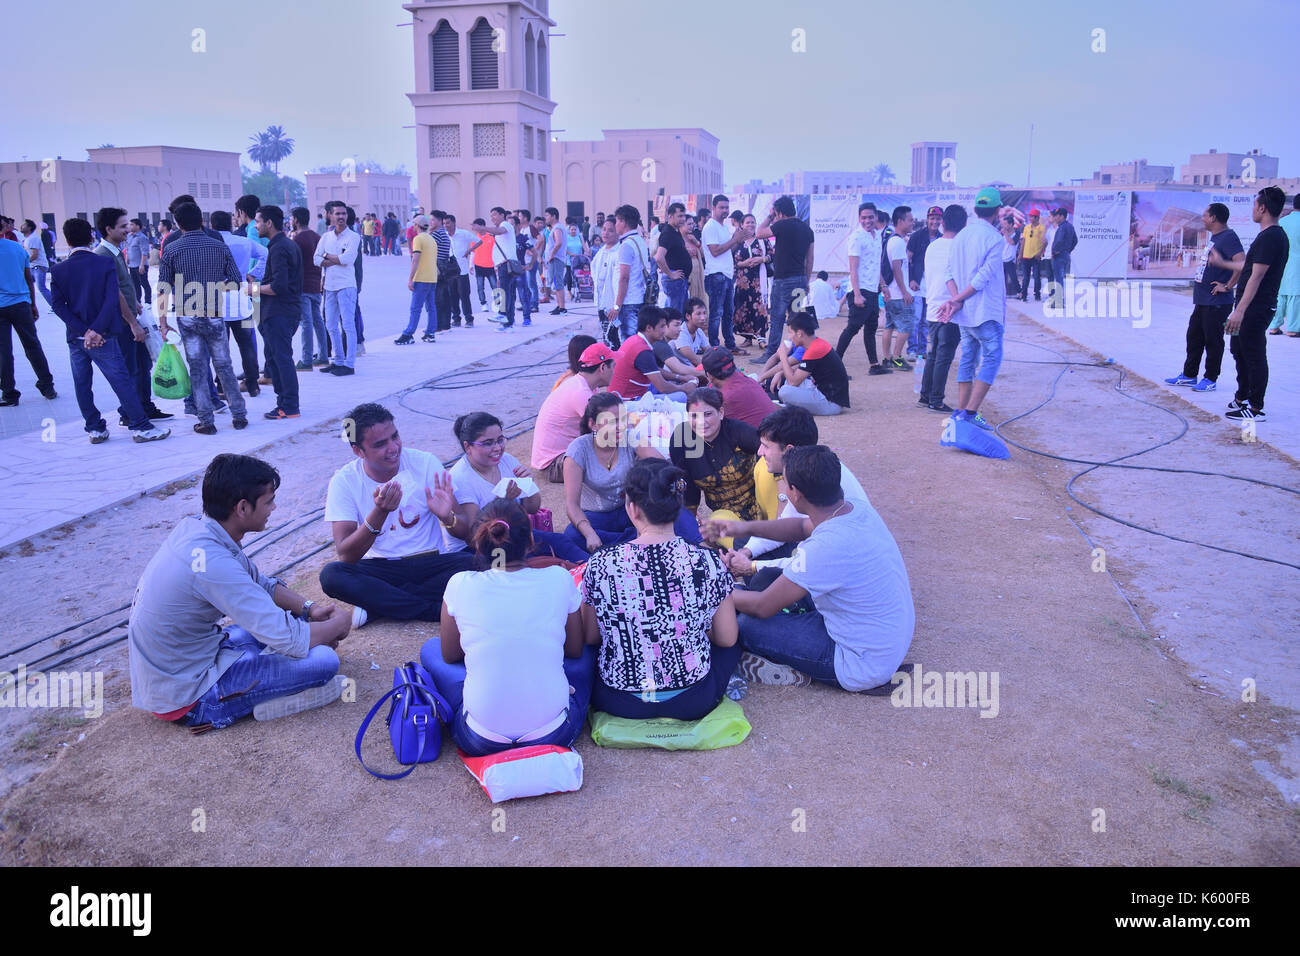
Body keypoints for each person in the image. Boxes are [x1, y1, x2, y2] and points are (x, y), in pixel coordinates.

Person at [128, 454, 351, 731]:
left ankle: (276, 675)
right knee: (324, 661)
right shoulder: (213, 561)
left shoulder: (199, 529)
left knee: (301, 630)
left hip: (193, 659)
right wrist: (338, 624)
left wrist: (310, 610)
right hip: (188, 695)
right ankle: (262, 700)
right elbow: (290, 638)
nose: (274, 507)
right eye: (269, 501)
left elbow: (262, 584)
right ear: (243, 508)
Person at [721, 445, 913, 690]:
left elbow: (762, 606)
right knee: (766, 578)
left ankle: (783, 662)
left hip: (858, 662)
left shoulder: (825, 547)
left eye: (785, 484)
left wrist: (715, 588)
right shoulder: (855, 510)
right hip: (881, 639)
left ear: (796, 494)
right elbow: (801, 528)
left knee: (747, 624)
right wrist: (745, 529)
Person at [417, 498, 597, 755]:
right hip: (554, 733)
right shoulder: (558, 579)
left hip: (481, 738)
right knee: (586, 653)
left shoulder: (460, 584)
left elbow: (450, 655)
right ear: (531, 541)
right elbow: (575, 650)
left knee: (431, 650)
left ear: (478, 543)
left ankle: (489, 695)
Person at [581, 458, 740, 720]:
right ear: (678, 506)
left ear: (632, 508)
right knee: (734, 638)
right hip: (693, 699)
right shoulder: (707, 561)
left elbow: (591, 637)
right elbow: (726, 639)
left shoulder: (600, 564)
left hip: (619, 700)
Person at [320, 403, 476, 628]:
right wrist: (380, 512)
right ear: (358, 450)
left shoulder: (424, 463)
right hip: (380, 569)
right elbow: (346, 555)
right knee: (332, 575)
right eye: (380, 444)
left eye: (395, 437)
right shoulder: (344, 481)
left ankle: (381, 603)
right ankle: (432, 609)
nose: (393, 448)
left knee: (487, 562)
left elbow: (464, 531)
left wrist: (447, 517)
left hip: (430, 561)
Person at [47, 217, 168, 443]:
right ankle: (141, 426)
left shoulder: (59, 269)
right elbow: (112, 297)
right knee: (121, 379)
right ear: (92, 236)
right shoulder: (103, 264)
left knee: (82, 383)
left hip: (76, 338)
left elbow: (57, 305)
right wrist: (96, 330)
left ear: (67, 240)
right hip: (104, 336)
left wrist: (84, 330)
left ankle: (95, 428)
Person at [717, 406, 868, 574]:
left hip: (833, 566)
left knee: (765, 577)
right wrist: (746, 552)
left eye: (766, 446)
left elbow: (809, 562)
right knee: (744, 544)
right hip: (819, 554)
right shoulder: (808, 470)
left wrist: (750, 567)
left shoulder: (811, 481)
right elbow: (787, 523)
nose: (760, 452)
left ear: (789, 450)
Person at [561, 392, 702, 552]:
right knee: (572, 534)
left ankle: (701, 545)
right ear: (593, 424)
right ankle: (638, 542)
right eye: (613, 422)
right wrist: (589, 534)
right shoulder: (578, 450)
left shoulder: (630, 437)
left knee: (675, 511)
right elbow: (571, 504)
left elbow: (662, 467)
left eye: (623, 419)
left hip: (631, 509)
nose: (621, 426)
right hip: (597, 516)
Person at [157, 202, 249, 434]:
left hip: (187, 316)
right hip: (214, 314)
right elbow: (236, 282)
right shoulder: (218, 245)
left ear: (177, 224)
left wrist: (162, 322)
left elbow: (162, 289)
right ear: (202, 220)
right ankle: (239, 415)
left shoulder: (172, 249)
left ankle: (206, 421)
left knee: (197, 368)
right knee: (224, 365)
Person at [449, 412, 587, 563]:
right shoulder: (461, 478)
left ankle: (595, 572)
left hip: (511, 536)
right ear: (468, 447)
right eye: (488, 443)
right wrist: (502, 503)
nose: (497, 448)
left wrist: (528, 485)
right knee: (528, 562)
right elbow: (473, 536)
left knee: (560, 542)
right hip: (481, 548)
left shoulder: (506, 461)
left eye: (500, 440)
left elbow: (533, 508)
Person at [936, 187, 1009, 431]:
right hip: (985, 311)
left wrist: (957, 300)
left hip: (965, 313)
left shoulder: (961, 237)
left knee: (968, 358)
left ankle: (961, 411)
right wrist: (959, 301)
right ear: (997, 211)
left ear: (976, 210)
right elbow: (982, 279)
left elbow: (949, 274)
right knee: (992, 358)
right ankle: (969, 413)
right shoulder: (995, 239)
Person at [96, 207, 170, 422]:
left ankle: (145, 406)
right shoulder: (103, 254)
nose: (127, 229)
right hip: (122, 323)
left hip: (131, 316)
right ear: (108, 229)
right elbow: (113, 292)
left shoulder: (117, 251)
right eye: (122, 226)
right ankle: (128, 413)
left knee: (142, 365)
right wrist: (132, 323)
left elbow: (123, 286)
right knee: (131, 370)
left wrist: (135, 302)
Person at [1225, 186, 1290, 422]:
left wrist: (1240, 311)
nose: (1253, 209)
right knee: (1238, 350)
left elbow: (1257, 276)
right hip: (1248, 306)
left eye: (1254, 205)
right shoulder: (1268, 236)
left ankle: (1255, 408)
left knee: (1253, 354)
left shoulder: (1271, 237)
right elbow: (1249, 269)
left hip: (1255, 307)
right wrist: (1224, 266)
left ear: (1262, 208)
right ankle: (1242, 397)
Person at [1164, 203, 1243, 392]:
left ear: (1214, 218)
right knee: (1194, 337)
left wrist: (1228, 286)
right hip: (1203, 299)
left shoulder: (1229, 237)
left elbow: (1242, 262)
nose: (1202, 218)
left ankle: (1210, 379)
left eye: (1205, 215)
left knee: (1213, 341)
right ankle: (1189, 375)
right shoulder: (1216, 237)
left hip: (1217, 302)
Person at [669, 387, 762, 522]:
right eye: (694, 416)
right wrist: (689, 525)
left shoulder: (737, 431)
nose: (701, 422)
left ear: (721, 413)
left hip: (761, 501)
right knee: (715, 526)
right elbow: (687, 488)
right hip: (726, 516)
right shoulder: (681, 440)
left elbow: (773, 453)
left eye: (707, 414)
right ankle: (746, 542)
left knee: (766, 467)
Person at [532, 341, 616, 481]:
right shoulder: (580, 392)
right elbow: (606, 432)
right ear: (602, 367)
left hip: (560, 457)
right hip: (554, 464)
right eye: (613, 367)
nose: (615, 371)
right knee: (619, 455)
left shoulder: (585, 384)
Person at [252, 205, 302, 421]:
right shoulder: (286, 244)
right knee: (277, 358)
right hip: (284, 311)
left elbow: (278, 287)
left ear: (269, 223)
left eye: (258, 222)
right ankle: (284, 403)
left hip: (279, 312)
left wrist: (251, 290)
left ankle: (289, 406)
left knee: (282, 359)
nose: (256, 226)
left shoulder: (279, 248)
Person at [208, 209, 266, 397]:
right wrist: (254, 274)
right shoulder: (245, 242)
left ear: (211, 225)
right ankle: (252, 384)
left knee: (220, 346)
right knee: (247, 344)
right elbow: (266, 255)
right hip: (241, 295)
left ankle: (222, 385)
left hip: (217, 299)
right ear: (232, 224)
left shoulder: (211, 244)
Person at [0, 222, 56, 408]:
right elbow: (28, 279)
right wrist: (32, 304)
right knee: (33, 345)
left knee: (3, 351)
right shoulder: (17, 248)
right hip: (21, 304)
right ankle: (47, 386)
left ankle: (9, 393)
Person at [917, 204, 966, 413]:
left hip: (933, 304)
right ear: (964, 225)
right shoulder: (959, 247)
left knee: (934, 353)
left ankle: (926, 394)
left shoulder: (933, 245)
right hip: (950, 308)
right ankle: (936, 399)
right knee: (943, 356)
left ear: (943, 223)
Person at [756, 195, 816, 364]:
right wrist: (806, 280)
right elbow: (810, 259)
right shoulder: (807, 229)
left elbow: (759, 232)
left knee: (777, 318)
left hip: (782, 281)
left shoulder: (781, 225)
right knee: (797, 318)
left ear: (779, 213)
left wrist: (769, 216)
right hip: (799, 281)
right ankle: (800, 352)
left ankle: (771, 354)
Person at [838, 201, 891, 375]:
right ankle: (835, 365)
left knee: (871, 328)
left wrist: (883, 286)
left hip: (873, 290)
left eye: (870, 217)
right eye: (863, 218)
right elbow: (853, 268)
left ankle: (874, 365)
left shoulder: (877, 237)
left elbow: (876, 265)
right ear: (859, 219)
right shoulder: (856, 237)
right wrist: (857, 295)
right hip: (860, 290)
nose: (867, 221)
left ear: (876, 217)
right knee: (852, 328)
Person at [765, 312, 850, 416]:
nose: (789, 337)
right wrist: (781, 373)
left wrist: (783, 357)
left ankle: (785, 407)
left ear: (799, 333)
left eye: (790, 332)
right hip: (826, 393)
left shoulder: (814, 349)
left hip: (830, 403)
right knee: (787, 382)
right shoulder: (816, 343)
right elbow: (802, 369)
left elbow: (793, 382)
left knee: (785, 391)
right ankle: (787, 406)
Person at [607, 306, 695, 401]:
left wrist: (680, 378)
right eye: (662, 326)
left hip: (623, 396)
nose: (664, 330)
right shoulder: (642, 350)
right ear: (648, 328)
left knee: (670, 386)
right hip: (627, 401)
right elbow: (662, 387)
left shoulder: (636, 340)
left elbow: (655, 370)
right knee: (682, 396)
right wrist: (684, 388)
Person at [314, 200, 361, 375]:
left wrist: (326, 256)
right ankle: (338, 360)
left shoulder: (353, 237)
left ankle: (349, 364)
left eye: (343, 214)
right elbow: (316, 259)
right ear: (330, 216)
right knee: (331, 325)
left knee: (348, 325)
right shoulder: (326, 237)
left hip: (346, 286)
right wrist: (333, 257)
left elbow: (347, 259)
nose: (341, 217)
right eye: (337, 214)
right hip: (329, 286)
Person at [700, 196, 749, 353]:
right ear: (713, 208)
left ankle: (730, 344)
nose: (725, 211)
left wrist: (738, 241)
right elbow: (715, 251)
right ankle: (714, 346)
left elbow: (727, 251)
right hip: (716, 275)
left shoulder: (722, 227)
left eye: (727, 208)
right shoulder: (711, 227)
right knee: (716, 314)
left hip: (726, 275)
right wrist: (734, 239)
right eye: (721, 207)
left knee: (728, 313)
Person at [699, 346, 777, 428]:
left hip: (758, 438)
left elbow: (706, 428)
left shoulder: (725, 397)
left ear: (709, 375)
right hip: (772, 433)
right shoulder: (749, 380)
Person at [291, 207, 327, 369]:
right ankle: (323, 356)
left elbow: (294, 264)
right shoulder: (317, 237)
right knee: (317, 320)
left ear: (296, 220)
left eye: (291, 218)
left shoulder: (298, 240)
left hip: (303, 286)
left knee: (306, 322)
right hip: (316, 284)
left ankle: (306, 360)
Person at [609, 204, 651, 342]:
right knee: (639, 342)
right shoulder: (639, 241)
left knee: (629, 344)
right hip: (639, 298)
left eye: (617, 221)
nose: (615, 225)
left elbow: (624, 278)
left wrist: (617, 306)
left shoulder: (626, 245)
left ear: (623, 222)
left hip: (628, 302)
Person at [880, 205, 915, 369]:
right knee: (906, 326)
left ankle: (887, 358)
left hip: (890, 293)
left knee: (889, 326)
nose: (913, 223)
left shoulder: (890, 240)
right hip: (898, 294)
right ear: (900, 221)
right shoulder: (898, 242)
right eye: (910, 220)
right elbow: (897, 268)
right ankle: (897, 357)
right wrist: (904, 291)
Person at [906, 206, 943, 359]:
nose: (934, 222)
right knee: (915, 319)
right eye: (932, 218)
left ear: (941, 221)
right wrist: (911, 279)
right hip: (917, 285)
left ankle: (922, 351)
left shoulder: (942, 238)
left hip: (933, 287)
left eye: (938, 219)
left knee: (927, 322)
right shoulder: (916, 237)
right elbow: (906, 260)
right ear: (927, 219)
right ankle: (912, 350)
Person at [396, 215, 438, 344]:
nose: (413, 226)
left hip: (421, 278)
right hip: (432, 278)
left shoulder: (418, 239)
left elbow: (415, 259)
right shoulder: (431, 239)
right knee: (431, 307)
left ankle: (408, 334)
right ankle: (430, 333)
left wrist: (410, 278)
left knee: (415, 308)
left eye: (414, 224)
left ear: (418, 225)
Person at [733, 213, 770, 347]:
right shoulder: (737, 242)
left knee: (760, 308)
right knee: (743, 308)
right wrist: (744, 263)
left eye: (752, 222)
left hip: (758, 281)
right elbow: (733, 262)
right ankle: (747, 338)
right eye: (747, 222)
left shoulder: (762, 239)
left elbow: (772, 254)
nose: (750, 225)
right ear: (741, 225)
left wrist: (762, 259)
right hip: (742, 282)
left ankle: (761, 338)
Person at [1267, 193, 1300, 337]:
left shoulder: (1282, 221)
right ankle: (1293, 328)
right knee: (1296, 296)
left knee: (1281, 295)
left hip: (1282, 262)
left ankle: (1274, 326)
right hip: (1297, 263)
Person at [655, 202, 692, 314]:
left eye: (683, 216)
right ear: (670, 216)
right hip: (675, 281)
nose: (682, 219)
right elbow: (659, 257)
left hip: (679, 280)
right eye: (679, 216)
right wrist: (671, 274)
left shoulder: (675, 231)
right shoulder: (668, 233)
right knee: (676, 316)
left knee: (677, 314)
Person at [590, 217, 621, 348]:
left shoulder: (619, 252)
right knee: (607, 337)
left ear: (618, 233)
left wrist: (616, 306)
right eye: (604, 230)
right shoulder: (601, 251)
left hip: (613, 303)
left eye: (610, 230)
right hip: (602, 303)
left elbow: (621, 281)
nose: (605, 233)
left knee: (614, 337)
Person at [445, 214, 475, 328]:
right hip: (450, 271)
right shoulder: (445, 236)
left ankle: (469, 319)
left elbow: (478, 241)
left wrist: (469, 251)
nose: (446, 225)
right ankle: (456, 319)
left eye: (448, 223)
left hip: (462, 271)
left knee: (464, 296)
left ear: (454, 222)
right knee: (452, 296)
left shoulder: (463, 233)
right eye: (444, 223)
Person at [20, 219, 54, 312]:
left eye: (24, 225)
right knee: (28, 287)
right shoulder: (27, 239)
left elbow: (35, 254)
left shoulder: (33, 238)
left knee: (41, 288)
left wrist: (24, 263)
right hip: (33, 266)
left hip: (38, 266)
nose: (22, 226)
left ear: (29, 228)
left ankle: (55, 305)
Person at [468, 218, 498, 315]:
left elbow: (495, 251)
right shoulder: (475, 238)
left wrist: (496, 265)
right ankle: (483, 304)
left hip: (490, 265)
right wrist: (471, 265)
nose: (473, 227)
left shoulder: (491, 237)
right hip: (478, 265)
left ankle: (497, 303)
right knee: (480, 286)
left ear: (481, 226)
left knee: (494, 286)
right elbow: (473, 252)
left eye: (475, 225)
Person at [543, 207, 569, 315]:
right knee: (555, 282)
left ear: (553, 216)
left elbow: (558, 243)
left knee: (558, 282)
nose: (546, 218)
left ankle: (562, 308)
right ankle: (559, 306)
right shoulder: (555, 227)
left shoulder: (557, 228)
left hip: (556, 259)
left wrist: (552, 255)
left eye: (547, 215)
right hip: (555, 259)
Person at [1017, 208, 1046, 302]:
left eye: (1031, 216)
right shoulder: (1026, 228)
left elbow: (1045, 242)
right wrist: (1020, 255)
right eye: (1029, 216)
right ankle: (1024, 295)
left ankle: (1037, 294)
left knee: (1037, 276)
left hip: (1036, 256)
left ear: (1037, 218)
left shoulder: (1042, 228)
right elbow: (1023, 242)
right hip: (1025, 256)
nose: (1029, 218)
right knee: (1026, 277)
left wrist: (1040, 253)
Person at [1048, 207, 1077, 296]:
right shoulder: (1070, 226)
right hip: (1065, 256)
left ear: (1062, 216)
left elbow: (1059, 241)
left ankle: (1058, 301)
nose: (1055, 218)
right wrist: (1068, 250)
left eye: (1056, 216)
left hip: (1059, 256)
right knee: (1060, 278)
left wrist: (1055, 252)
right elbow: (1075, 240)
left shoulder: (1062, 227)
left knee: (1059, 279)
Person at [674, 296, 710, 365]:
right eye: (698, 314)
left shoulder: (699, 331)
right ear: (688, 316)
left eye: (704, 313)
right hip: (677, 372)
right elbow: (695, 361)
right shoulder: (681, 333)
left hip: (688, 370)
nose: (703, 318)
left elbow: (709, 352)